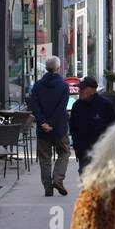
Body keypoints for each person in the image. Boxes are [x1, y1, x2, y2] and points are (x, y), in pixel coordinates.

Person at [28, 56, 71, 198]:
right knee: (64, 152)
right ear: (58, 68)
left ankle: (48, 188)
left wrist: (43, 122)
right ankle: (58, 179)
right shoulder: (64, 86)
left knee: (45, 157)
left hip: (42, 129)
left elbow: (35, 106)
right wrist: (52, 123)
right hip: (59, 128)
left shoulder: (38, 85)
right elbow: (61, 107)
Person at [69, 76, 115, 173]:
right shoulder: (77, 106)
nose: (79, 91)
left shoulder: (105, 105)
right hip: (84, 152)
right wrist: (77, 147)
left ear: (92, 90)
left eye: (82, 89)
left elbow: (114, 127)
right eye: (79, 88)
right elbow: (73, 128)